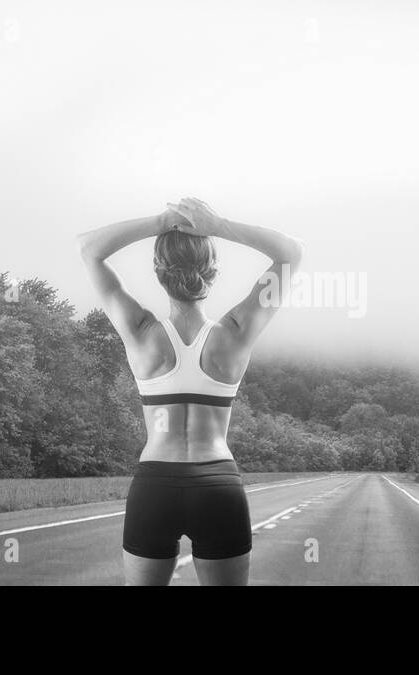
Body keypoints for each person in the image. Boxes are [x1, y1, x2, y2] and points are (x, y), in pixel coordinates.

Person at [77, 197, 304, 585]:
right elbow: (290, 253)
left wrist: (163, 220)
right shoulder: (236, 332)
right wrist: (218, 225)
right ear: (212, 272)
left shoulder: (140, 332)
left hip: (154, 488)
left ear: (158, 272)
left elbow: (89, 248)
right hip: (217, 487)